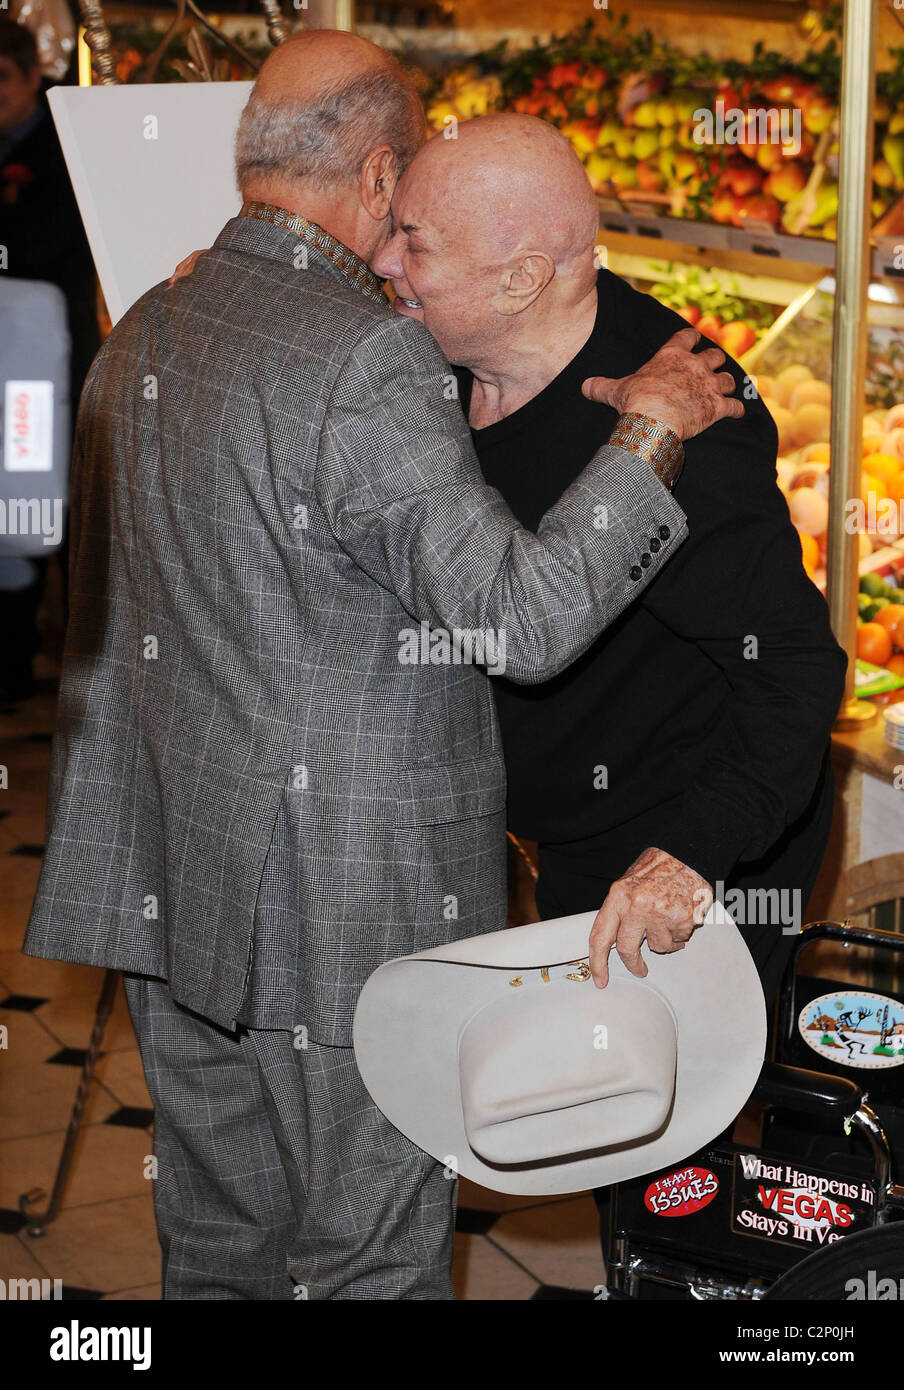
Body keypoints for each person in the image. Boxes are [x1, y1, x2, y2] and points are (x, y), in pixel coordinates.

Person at [23, 31, 740, 1301]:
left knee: (219, 1240)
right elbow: (515, 622)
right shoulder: (364, 359)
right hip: (341, 905)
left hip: (169, 877)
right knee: (368, 1257)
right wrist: (651, 434)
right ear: (375, 173)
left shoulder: (150, 319)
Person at [371, 110, 846, 1260]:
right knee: (599, 1134)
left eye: (414, 244)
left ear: (525, 273)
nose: (383, 262)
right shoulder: (439, 356)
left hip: (678, 842)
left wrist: (689, 854)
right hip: (571, 830)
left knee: (666, 1169)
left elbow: (795, 668)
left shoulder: (687, 425)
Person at [0, 16, 100, 699]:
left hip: (39, 365)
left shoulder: (66, 148)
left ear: (32, 76)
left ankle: (25, 654)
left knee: (31, 498)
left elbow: (47, 242)